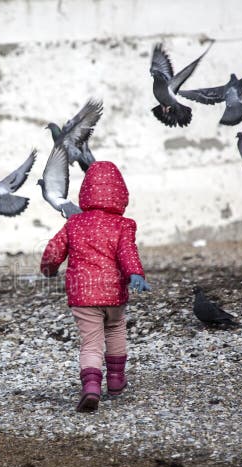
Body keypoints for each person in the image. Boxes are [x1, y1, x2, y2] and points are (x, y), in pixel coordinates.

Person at [40, 161, 150, 412]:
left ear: (85, 193)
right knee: (115, 330)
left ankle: (91, 388)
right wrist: (135, 275)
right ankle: (115, 380)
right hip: (114, 295)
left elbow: (54, 250)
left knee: (91, 342)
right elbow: (127, 253)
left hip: (84, 296)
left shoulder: (74, 223)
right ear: (121, 194)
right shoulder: (123, 225)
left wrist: (49, 268)